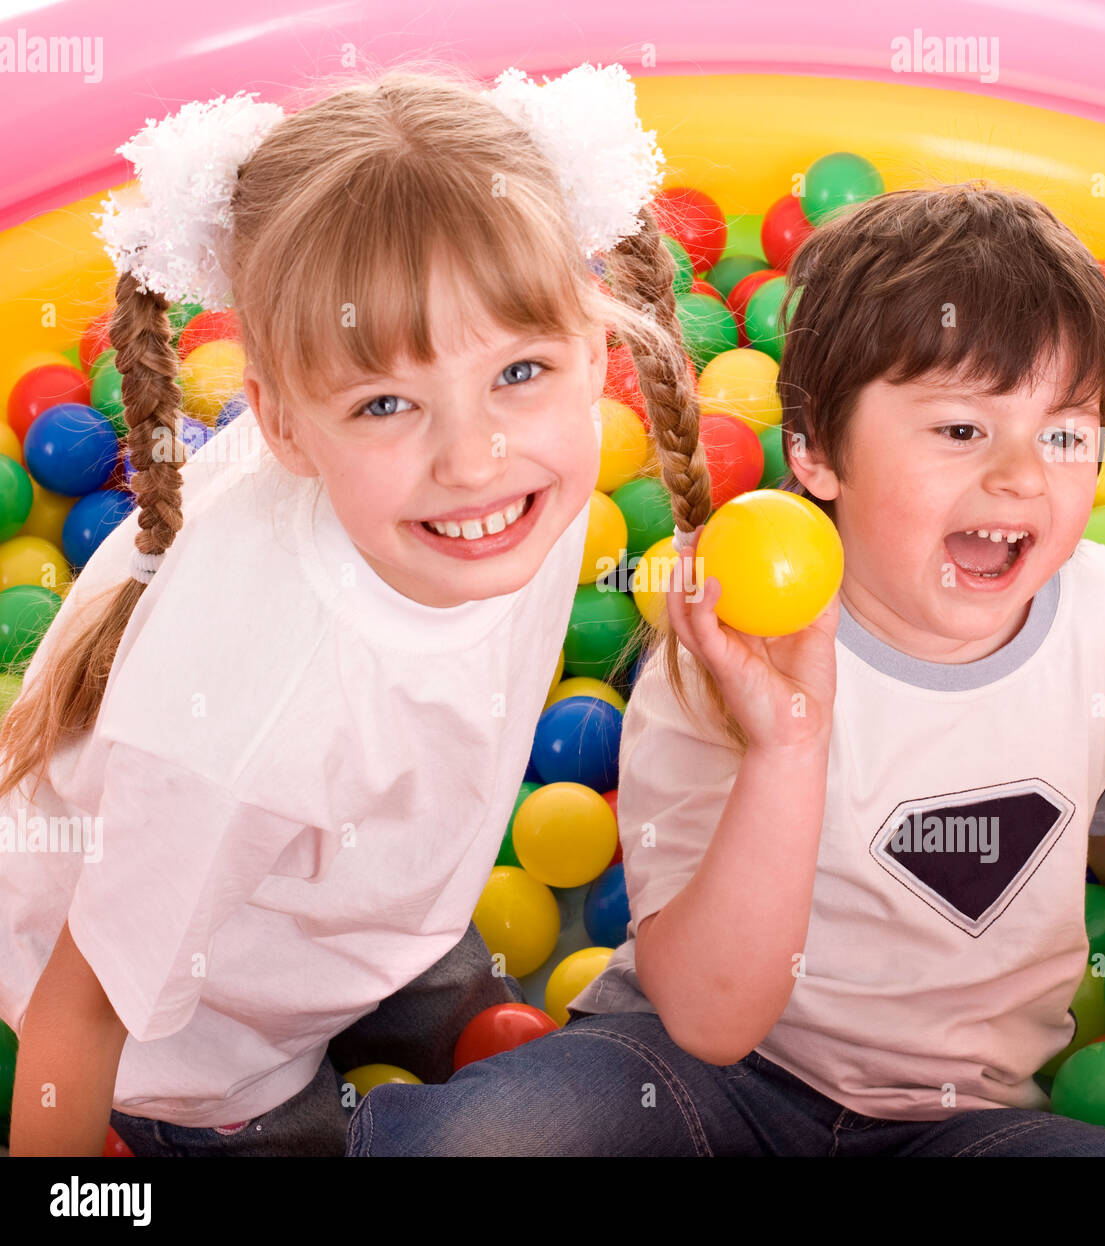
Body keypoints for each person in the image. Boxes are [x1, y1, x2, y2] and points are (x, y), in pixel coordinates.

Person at [346, 184, 1105, 1157]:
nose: (1021, 475)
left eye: (1063, 433)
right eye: (959, 430)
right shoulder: (736, 645)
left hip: (965, 1125)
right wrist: (786, 745)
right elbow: (710, 1022)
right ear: (815, 453)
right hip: (692, 1080)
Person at [0, 61, 699, 1156]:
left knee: (496, 1040)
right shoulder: (239, 710)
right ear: (280, 425)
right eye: (386, 403)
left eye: (519, 370)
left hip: (371, 894)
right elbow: (76, 1016)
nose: (473, 456)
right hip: (197, 1033)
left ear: (594, 348)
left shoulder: (517, 488)